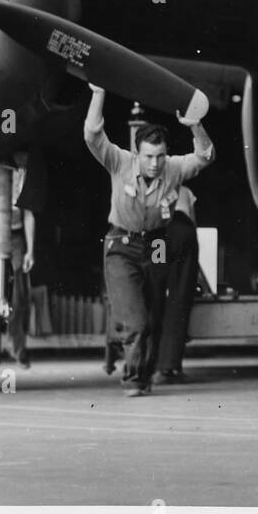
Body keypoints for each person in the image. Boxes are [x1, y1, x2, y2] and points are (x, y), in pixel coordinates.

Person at [84, 85, 214, 397]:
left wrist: (195, 125)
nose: (154, 164)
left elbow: (205, 155)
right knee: (136, 321)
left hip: (156, 244)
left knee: (154, 313)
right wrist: (99, 94)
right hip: (122, 245)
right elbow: (93, 135)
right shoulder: (120, 162)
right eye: (148, 157)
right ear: (137, 152)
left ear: (165, 154)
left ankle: (147, 374)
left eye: (159, 156)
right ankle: (133, 379)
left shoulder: (172, 169)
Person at [0, 155, 36, 372]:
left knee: (18, 298)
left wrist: (31, 250)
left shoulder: (21, 175)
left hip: (15, 237)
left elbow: (28, 213)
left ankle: (18, 349)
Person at [150, 186, 201, 384]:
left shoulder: (150, 188)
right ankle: (168, 367)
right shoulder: (185, 190)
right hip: (182, 232)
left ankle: (149, 365)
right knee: (179, 295)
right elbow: (193, 222)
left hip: (158, 235)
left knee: (154, 291)